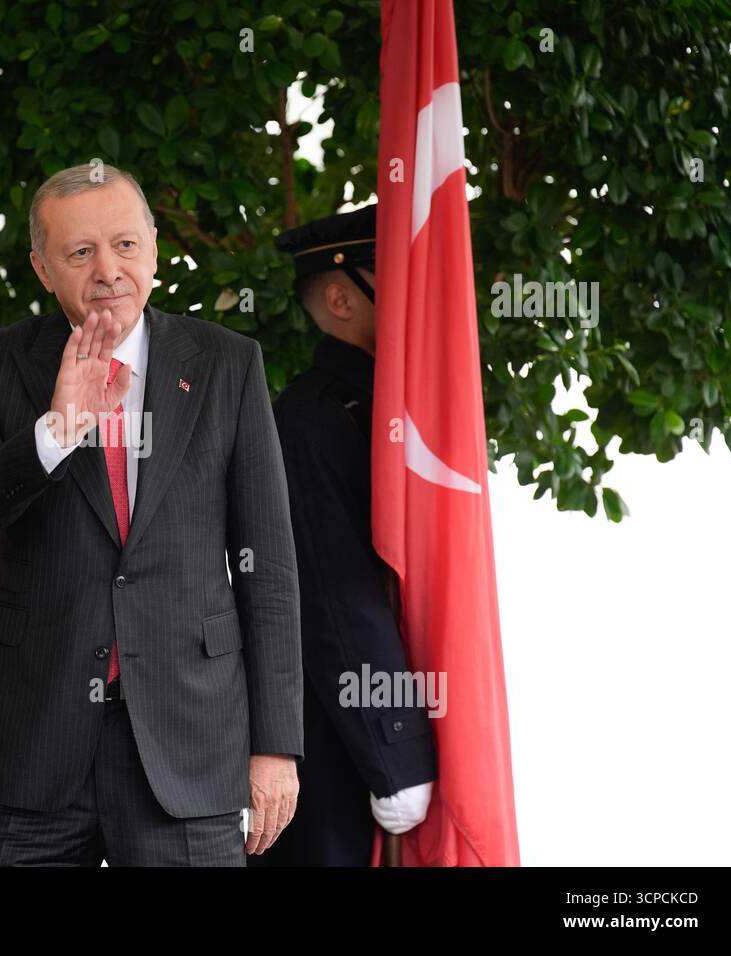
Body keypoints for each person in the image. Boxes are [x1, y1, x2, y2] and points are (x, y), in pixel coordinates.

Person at [0, 163, 303, 866]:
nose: (108, 270)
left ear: (156, 251)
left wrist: (276, 745)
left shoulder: (228, 365)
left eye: (125, 245)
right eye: (80, 253)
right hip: (27, 743)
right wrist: (56, 431)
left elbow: (270, 571)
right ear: (43, 269)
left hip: (189, 746)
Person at [252, 205, 437, 867]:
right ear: (340, 297)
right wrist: (397, 752)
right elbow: (334, 601)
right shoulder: (312, 420)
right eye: (400, 280)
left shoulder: (398, 410)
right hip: (335, 741)